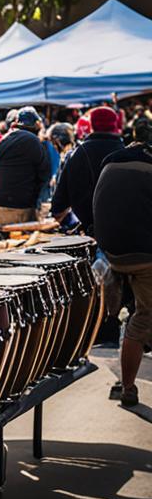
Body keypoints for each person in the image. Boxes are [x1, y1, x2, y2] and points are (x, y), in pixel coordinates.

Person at [91, 129, 152, 408]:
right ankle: (128, 387)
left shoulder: (111, 161)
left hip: (111, 251)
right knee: (143, 318)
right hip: (143, 254)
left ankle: (125, 378)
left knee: (136, 315)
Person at [52, 106, 125, 230]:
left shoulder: (77, 154)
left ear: (91, 125)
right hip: (122, 227)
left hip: (89, 228)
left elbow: (59, 203)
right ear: (115, 124)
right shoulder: (126, 152)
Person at [0, 107, 51, 225]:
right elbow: (45, 177)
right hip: (24, 210)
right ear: (37, 125)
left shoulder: (2, 140)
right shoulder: (37, 144)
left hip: (0, 209)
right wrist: (39, 207)